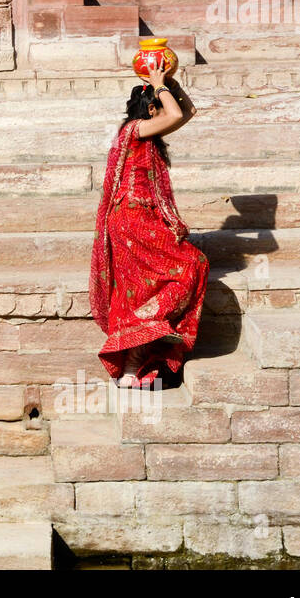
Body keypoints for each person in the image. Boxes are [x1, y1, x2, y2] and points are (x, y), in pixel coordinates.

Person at [88, 62, 208, 388]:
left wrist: (168, 82)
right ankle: (133, 356)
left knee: (144, 292)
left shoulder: (145, 133)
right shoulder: (135, 129)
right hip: (130, 220)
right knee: (191, 265)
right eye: (159, 103)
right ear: (151, 107)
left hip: (137, 220)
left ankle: (133, 361)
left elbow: (188, 112)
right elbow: (173, 115)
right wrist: (158, 83)